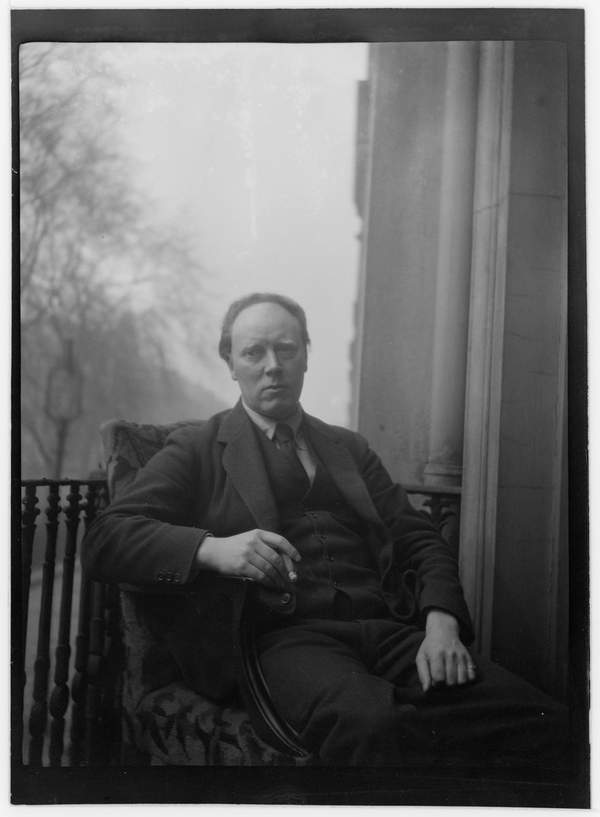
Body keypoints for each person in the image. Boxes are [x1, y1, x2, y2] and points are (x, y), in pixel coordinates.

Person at [83, 292, 568, 768]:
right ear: (230, 362)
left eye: (287, 349)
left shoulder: (348, 448)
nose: (273, 365)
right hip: (282, 641)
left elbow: (418, 538)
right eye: (254, 352)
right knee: (372, 725)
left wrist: (443, 622)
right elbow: (106, 538)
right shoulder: (198, 447)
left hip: (389, 630)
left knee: (541, 718)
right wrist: (213, 549)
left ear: (306, 357)